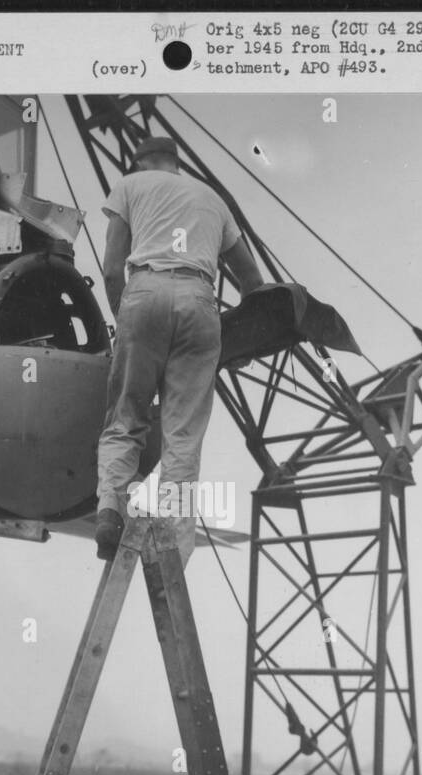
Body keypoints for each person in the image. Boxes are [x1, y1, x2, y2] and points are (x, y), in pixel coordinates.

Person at [94, 136, 265, 563]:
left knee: (126, 417)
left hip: (144, 292)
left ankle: (109, 513)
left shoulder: (130, 186)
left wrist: (126, 325)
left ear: (140, 163)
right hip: (199, 299)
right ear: (175, 163)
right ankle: (173, 548)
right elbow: (253, 282)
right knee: (183, 436)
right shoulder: (213, 199)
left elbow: (113, 270)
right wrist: (238, 338)